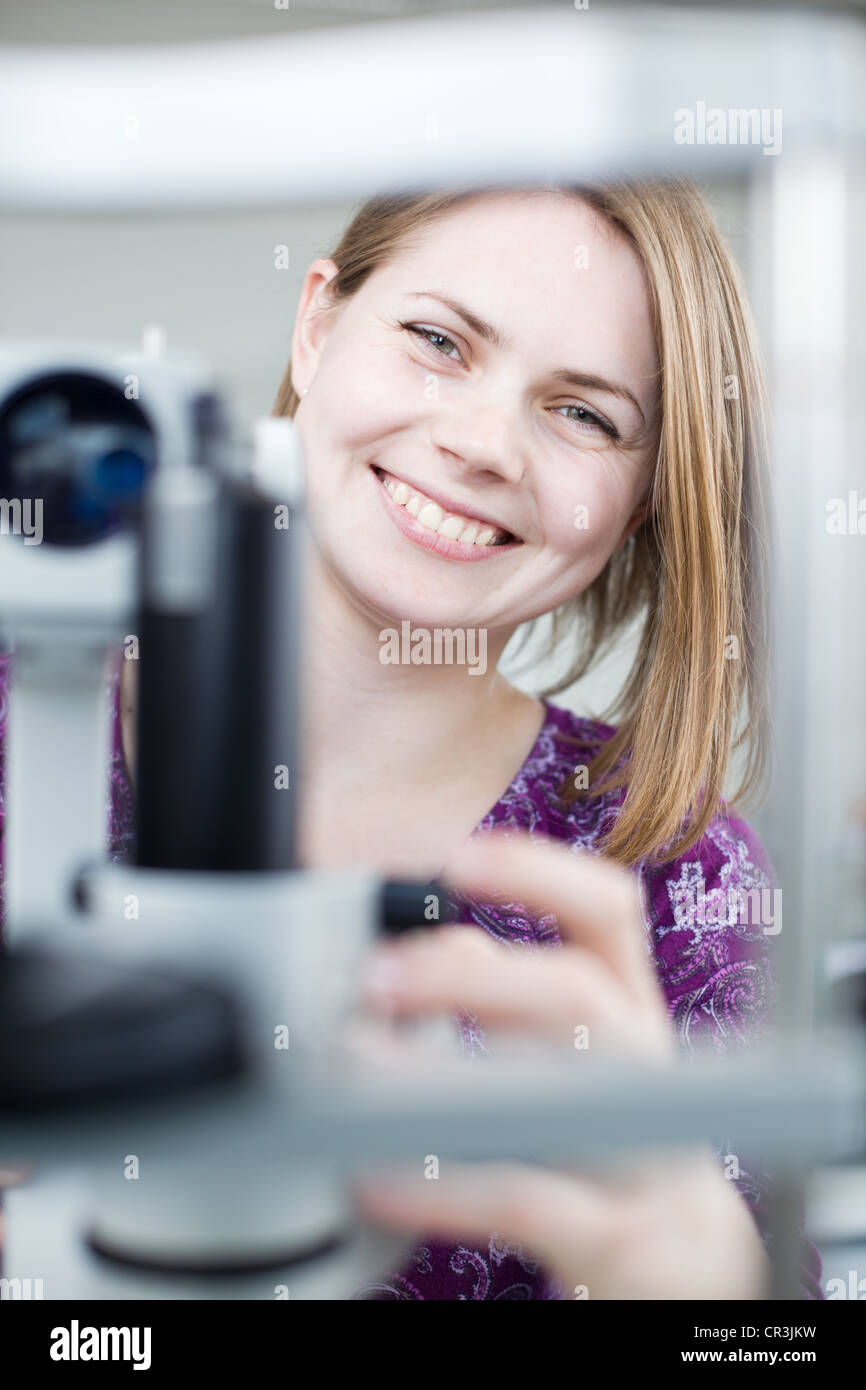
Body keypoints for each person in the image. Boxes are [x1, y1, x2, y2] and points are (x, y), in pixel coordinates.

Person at [0, 178, 825, 1300]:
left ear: (635, 501)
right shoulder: (23, 721)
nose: (482, 442)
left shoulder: (675, 876)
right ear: (317, 327)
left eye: (583, 413)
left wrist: (710, 1295)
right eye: (438, 341)